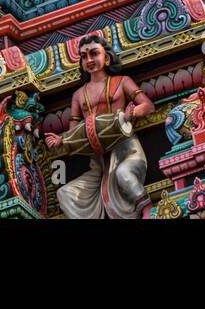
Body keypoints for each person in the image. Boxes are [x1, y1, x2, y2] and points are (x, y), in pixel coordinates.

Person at [45, 34, 153, 218]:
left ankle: (148, 209)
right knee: (64, 193)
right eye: (84, 56)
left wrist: (131, 114)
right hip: (98, 163)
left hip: (127, 150)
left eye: (94, 54)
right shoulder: (79, 95)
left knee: (123, 174)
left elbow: (148, 105)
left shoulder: (122, 81)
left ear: (107, 58)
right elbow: (74, 133)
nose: (89, 60)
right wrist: (61, 141)